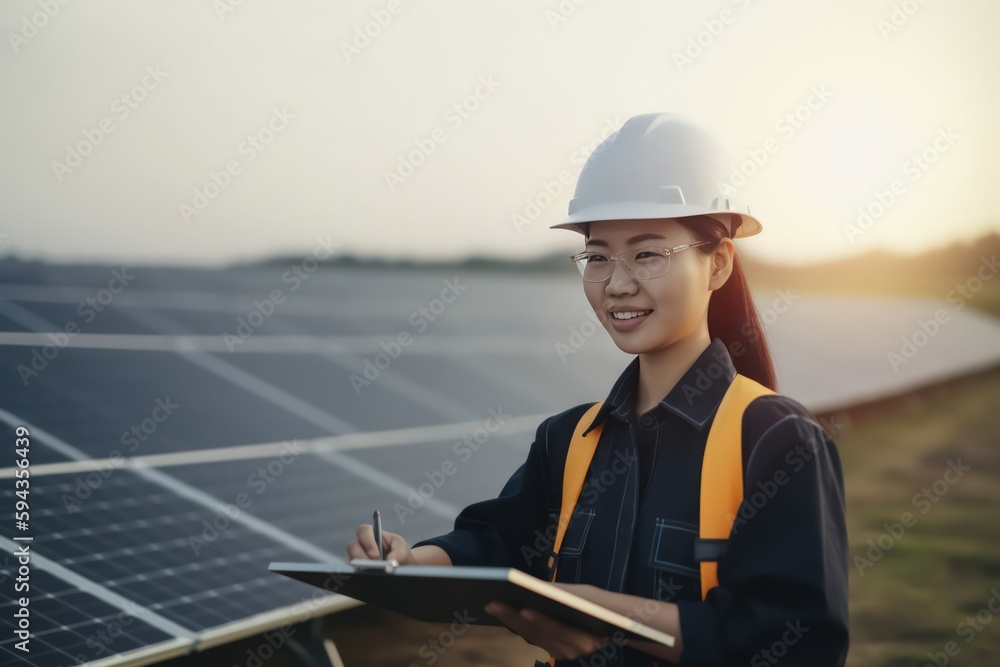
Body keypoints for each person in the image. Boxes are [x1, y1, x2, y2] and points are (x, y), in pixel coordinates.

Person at [347, 113, 849, 666]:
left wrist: (612, 621)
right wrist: (412, 566)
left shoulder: (776, 441)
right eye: (597, 255)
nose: (617, 283)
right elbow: (498, 542)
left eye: (648, 253)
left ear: (719, 264)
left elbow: (799, 641)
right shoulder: (567, 440)